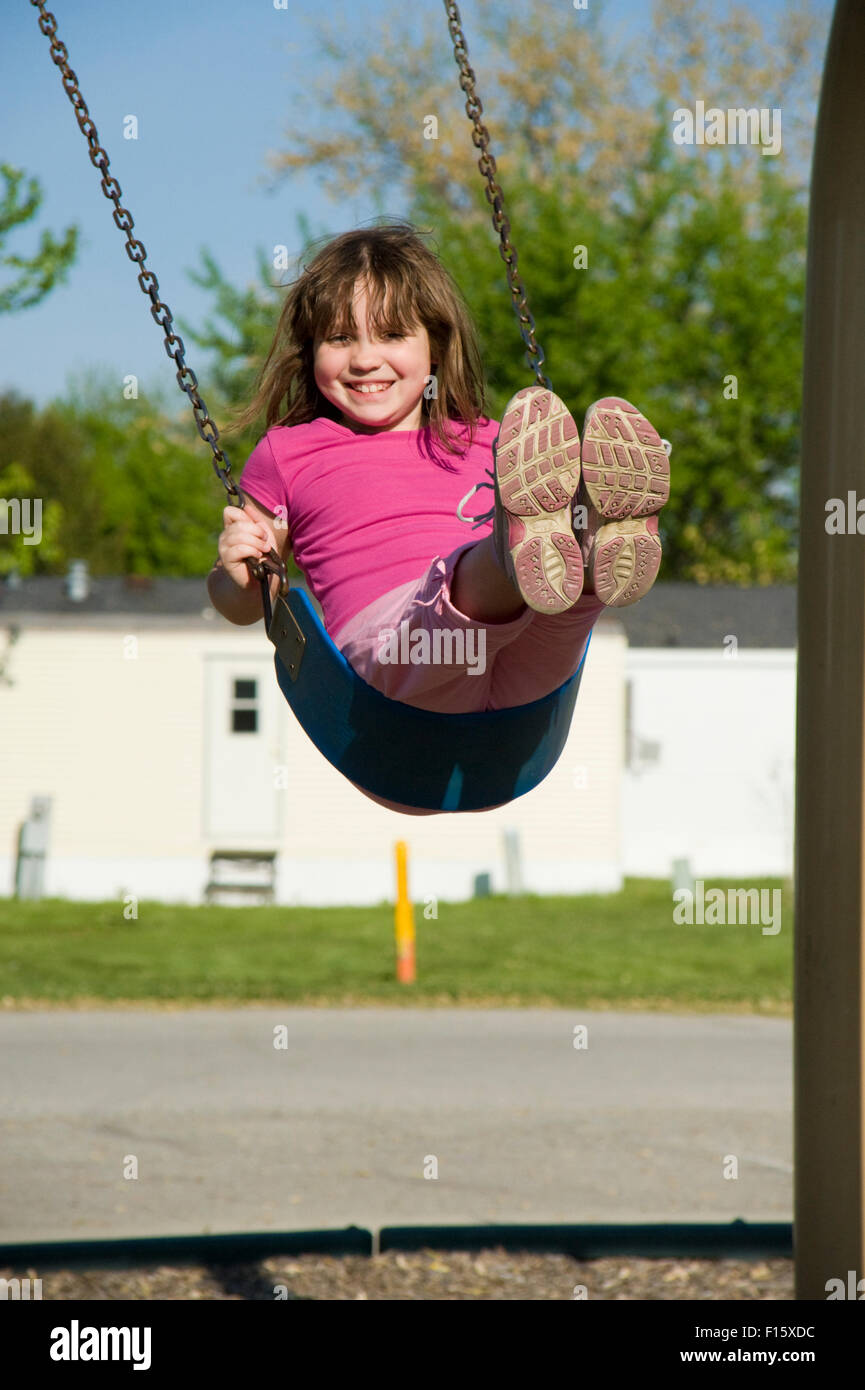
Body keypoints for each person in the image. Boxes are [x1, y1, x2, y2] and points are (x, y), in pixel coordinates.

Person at [206, 221, 670, 727]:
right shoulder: (292, 453)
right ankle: (514, 549)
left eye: (391, 334)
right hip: (398, 668)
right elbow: (247, 605)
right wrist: (238, 578)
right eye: (339, 338)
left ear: (435, 345)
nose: (364, 359)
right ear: (311, 347)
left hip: (523, 693)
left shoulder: (497, 441)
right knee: (468, 580)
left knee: (559, 606)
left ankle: (592, 543)